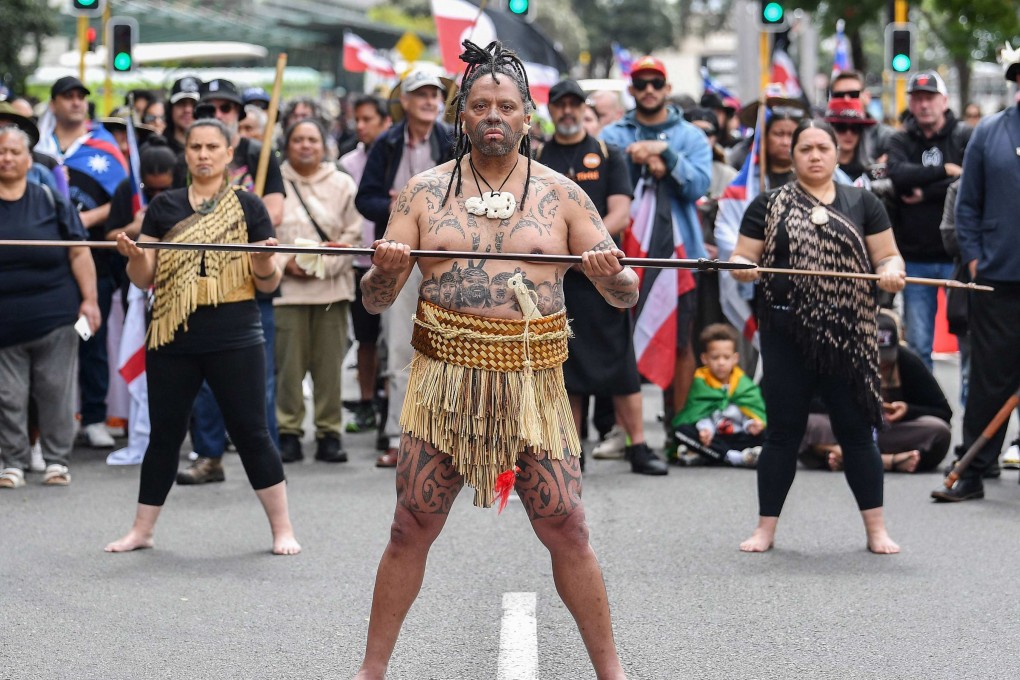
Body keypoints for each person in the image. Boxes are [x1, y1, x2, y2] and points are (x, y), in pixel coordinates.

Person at [353, 40, 634, 680]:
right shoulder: (422, 195)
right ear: (462, 115)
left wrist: (607, 271)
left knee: (566, 523)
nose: (493, 115)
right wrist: (383, 273)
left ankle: (611, 671)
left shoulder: (563, 197)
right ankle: (370, 671)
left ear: (527, 117)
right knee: (410, 525)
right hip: (443, 382)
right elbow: (376, 301)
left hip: (533, 382)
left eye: (506, 105)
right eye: (480, 105)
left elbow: (625, 293)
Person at [104, 118, 299, 555]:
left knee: (252, 433)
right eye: (195, 147)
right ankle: (142, 529)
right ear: (185, 153)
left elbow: (267, 284)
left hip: (236, 333)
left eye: (213, 146)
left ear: (230, 153)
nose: (203, 154)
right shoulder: (164, 207)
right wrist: (134, 257)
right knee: (165, 434)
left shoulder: (250, 207)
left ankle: (282, 528)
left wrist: (265, 261)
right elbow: (143, 278)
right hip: (172, 335)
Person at [730, 118, 906, 554]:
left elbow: (888, 256)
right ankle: (765, 530)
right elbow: (741, 256)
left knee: (857, 431)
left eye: (822, 148)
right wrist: (741, 267)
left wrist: (890, 272)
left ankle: (876, 530)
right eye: (805, 148)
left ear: (837, 154)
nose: (814, 155)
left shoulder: (864, 202)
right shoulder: (767, 204)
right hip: (786, 332)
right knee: (782, 432)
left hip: (849, 334)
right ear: (791, 157)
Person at [537, 79, 663, 475]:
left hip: (604, 273)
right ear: (552, 109)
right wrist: (570, 255)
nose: (568, 111)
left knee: (622, 368)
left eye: (576, 104)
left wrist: (590, 250)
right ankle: (572, 453)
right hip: (559, 278)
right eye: (561, 105)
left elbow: (621, 213)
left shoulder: (608, 154)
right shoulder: (536, 156)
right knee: (567, 367)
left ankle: (638, 447)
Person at [176, 78, 286, 479]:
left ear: (239, 117)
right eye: (210, 110)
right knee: (204, 379)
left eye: (226, 109)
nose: (217, 116)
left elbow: (275, 212)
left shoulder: (260, 155)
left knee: (259, 376)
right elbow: (176, 215)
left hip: (250, 282)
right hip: (202, 283)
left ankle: (265, 457)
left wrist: (234, 224)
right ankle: (209, 456)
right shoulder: (189, 161)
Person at [600, 56, 712, 438]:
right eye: (641, 83)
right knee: (619, 342)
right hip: (623, 255)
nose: (649, 89)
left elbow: (699, 186)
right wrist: (637, 160)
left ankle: (679, 432)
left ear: (666, 89)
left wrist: (665, 155)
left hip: (677, 258)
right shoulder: (613, 134)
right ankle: (625, 433)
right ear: (632, 90)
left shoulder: (691, 137)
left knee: (679, 342)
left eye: (656, 83)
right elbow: (605, 187)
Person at [932, 44, 1020, 501]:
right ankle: (973, 469)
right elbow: (967, 206)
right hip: (998, 278)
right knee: (990, 377)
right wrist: (974, 260)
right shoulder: (990, 131)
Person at [355, 69, 455, 468]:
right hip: (398, 256)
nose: (430, 100)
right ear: (406, 101)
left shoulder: (452, 139)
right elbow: (366, 200)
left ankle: (447, 434)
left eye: (435, 94)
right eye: (422, 94)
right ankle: (399, 435)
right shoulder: (387, 142)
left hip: (446, 255)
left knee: (449, 343)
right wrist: (399, 206)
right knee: (398, 345)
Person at [0, 126, 99, 489]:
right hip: (4, 321)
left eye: (14, 152)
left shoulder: (50, 198)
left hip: (54, 316)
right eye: (1, 152)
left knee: (56, 390)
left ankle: (57, 460)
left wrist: (90, 300)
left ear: (29, 160)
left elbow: (78, 250)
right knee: (7, 394)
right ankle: (12, 460)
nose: (6, 158)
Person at [36, 75, 128, 450]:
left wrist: (84, 222)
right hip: (48, 264)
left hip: (96, 261)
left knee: (91, 336)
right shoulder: (38, 147)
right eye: (68, 97)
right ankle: (43, 427)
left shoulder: (104, 147)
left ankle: (92, 417)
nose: (76, 102)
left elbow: (123, 200)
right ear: (54, 103)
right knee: (47, 344)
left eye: (81, 97)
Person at [274, 119, 362, 463]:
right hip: (287, 290)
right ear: (288, 144)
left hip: (332, 291)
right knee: (288, 368)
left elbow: (353, 236)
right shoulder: (274, 181)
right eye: (298, 140)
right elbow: (266, 230)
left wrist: (322, 267)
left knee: (329, 368)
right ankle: (288, 431)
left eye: (312, 139)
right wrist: (288, 264)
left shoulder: (342, 183)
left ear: (323, 145)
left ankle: (329, 431)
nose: (305, 145)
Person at [886, 71, 972, 370]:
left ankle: (969, 412)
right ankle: (928, 413)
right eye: (917, 98)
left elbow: (969, 183)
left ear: (944, 101)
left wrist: (923, 192)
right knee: (919, 346)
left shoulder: (964, 136)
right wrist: (945, 172)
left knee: (968, 343)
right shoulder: (899, 138)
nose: (923, 105)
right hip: (914, 256)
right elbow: (896, 175)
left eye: (930, 98)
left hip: (957, 258)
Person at [800, 310, 952, 474]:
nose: (880, 367)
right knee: (804, 424)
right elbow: (805, 401)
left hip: (889, 430)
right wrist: (850, 406)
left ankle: (843, 455)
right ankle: (889, 461)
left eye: (886, 362)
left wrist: (907, 410)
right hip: (845, 427)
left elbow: (943, 412)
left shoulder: (907, 362)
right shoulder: (839, 357)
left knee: (939, 431)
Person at [338, 94, 392, 434]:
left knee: (398, 338)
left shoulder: (395, 154)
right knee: (366, 338)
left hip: (400, 260)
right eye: (357, 119)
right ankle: (367, 401)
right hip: (361, 258)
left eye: (368, 119)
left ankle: (393, 403)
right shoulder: (347, 163)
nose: (361, 126)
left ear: (386, 122)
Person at [672, 324, 766, 467]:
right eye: (715, 357)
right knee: (681, 432)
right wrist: (706, 430)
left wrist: (751, 425)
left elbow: (749, 414)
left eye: (726, 357)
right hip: (712, 438)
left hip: (738, 436)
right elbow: (698, 414)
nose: (721, 363)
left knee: (768, 434)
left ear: (735, 358)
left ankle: (709, 455)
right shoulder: (700, 383)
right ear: (704, 358)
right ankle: (736, 457)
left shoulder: (744, 385)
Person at [829, 71, 894, 163]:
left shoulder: (885, 137)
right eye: (839, 95)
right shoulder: (821, 132)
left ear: (866, 97)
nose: (846, 100)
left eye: (853, 94)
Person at [824, 97, 876, 184]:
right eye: (841, 127)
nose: (849, 134)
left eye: (855, 128)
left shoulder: (871, 172)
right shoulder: (821, 169)